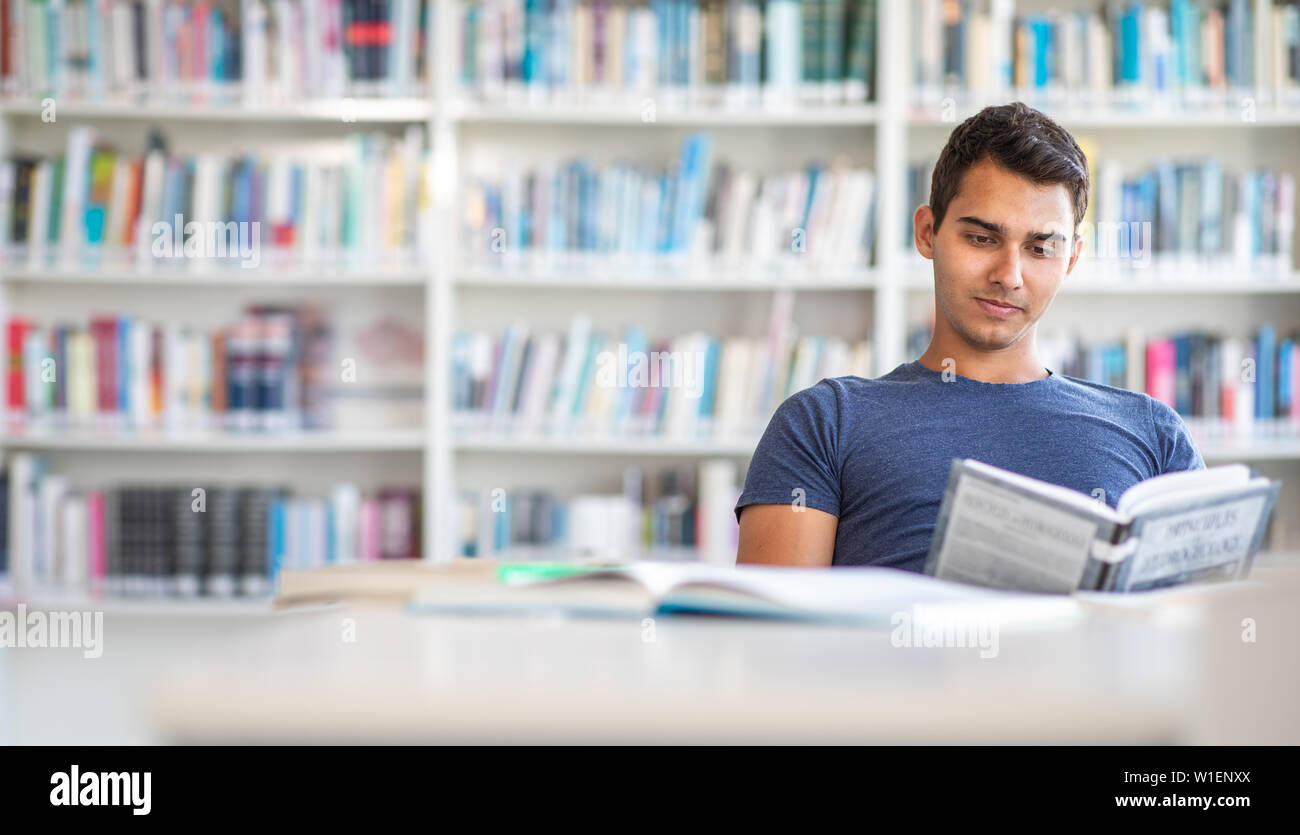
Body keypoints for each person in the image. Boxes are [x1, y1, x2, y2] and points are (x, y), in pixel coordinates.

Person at [735, 101, 1203, 568]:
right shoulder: (824, 424)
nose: (1009, 275)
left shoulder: (1152, 433)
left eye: (1040, 248)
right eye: (982, 239)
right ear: (926, 232)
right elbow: (777, 636)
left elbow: (1199, 628)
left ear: (1072, 261)